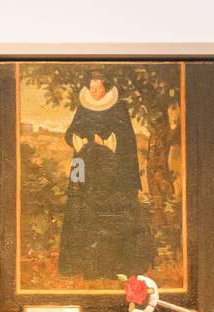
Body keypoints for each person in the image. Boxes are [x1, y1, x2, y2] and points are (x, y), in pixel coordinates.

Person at [56, 71, 152, 280]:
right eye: (91, 88)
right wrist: (83, 139)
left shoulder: (118, 108)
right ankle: (82, 265)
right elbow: (70, 132)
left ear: (106, 88)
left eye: (98, 88)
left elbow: (127, 139)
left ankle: (115, 265)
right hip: (84, 167)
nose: (94, 91)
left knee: (111, 215)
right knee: (82, 209)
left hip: (112, 172)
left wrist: (107, 143)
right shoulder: (84, 106)